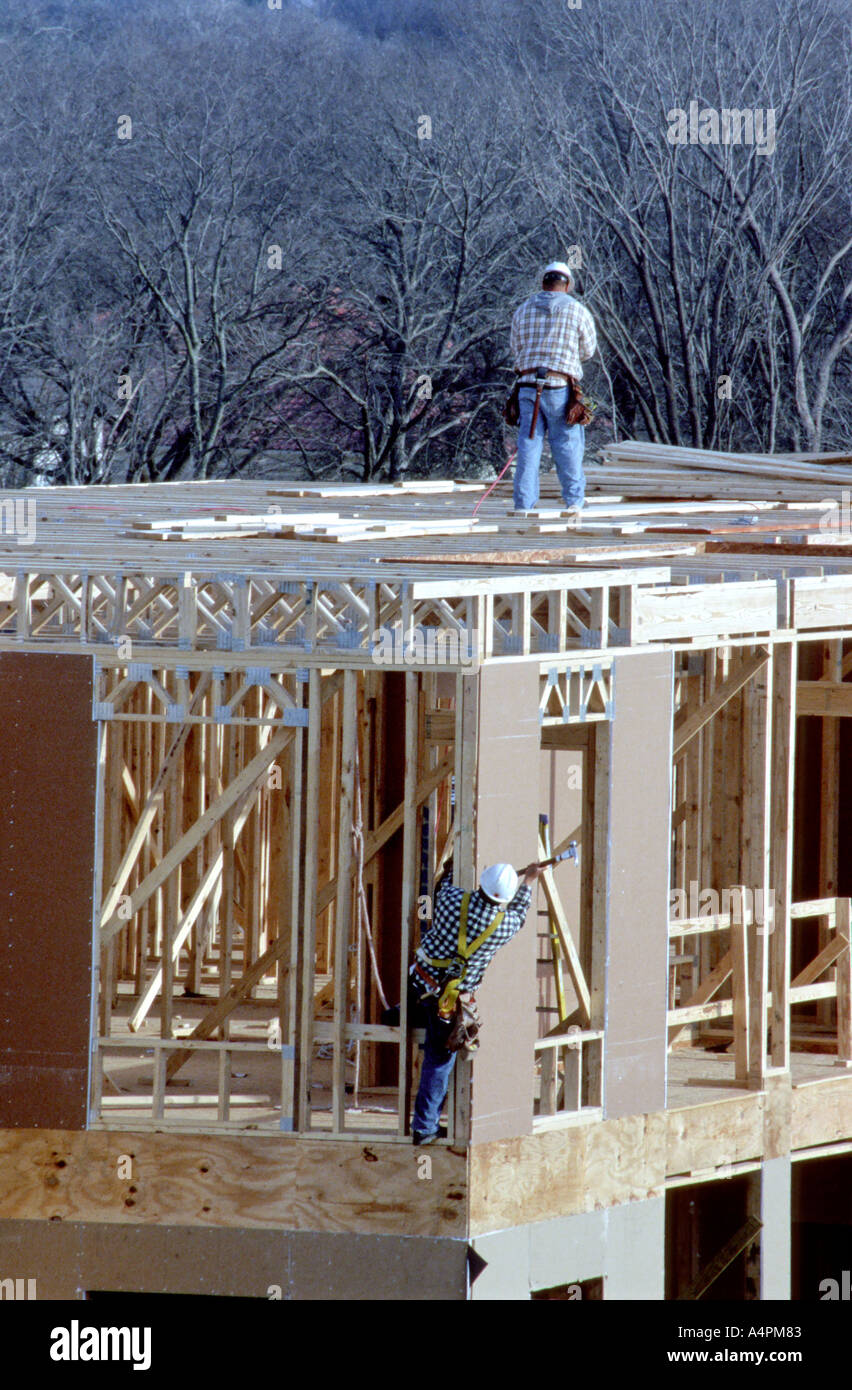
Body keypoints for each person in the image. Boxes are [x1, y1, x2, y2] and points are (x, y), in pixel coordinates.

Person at [408, 860, 541, 1144]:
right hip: (447, 1003)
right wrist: (528, 881)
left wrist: (454, 865)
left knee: (419, 1012)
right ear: (503, 898)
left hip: (417, 982)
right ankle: (424, 1128)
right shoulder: (502, 927)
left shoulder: (451, 898)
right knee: (439, 1060)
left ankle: (401, 1012)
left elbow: (444, 882)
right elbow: (519, 913)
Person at [509, 260, 597, 514]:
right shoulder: (578, 310)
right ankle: (573, 502)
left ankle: (523, 505)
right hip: (559, 386)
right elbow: (588, 350)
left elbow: (515, 348)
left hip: (527, 385)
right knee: (566, 444)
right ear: (567, 285)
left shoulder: (523, 310)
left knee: (529, 443)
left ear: (543, 283)